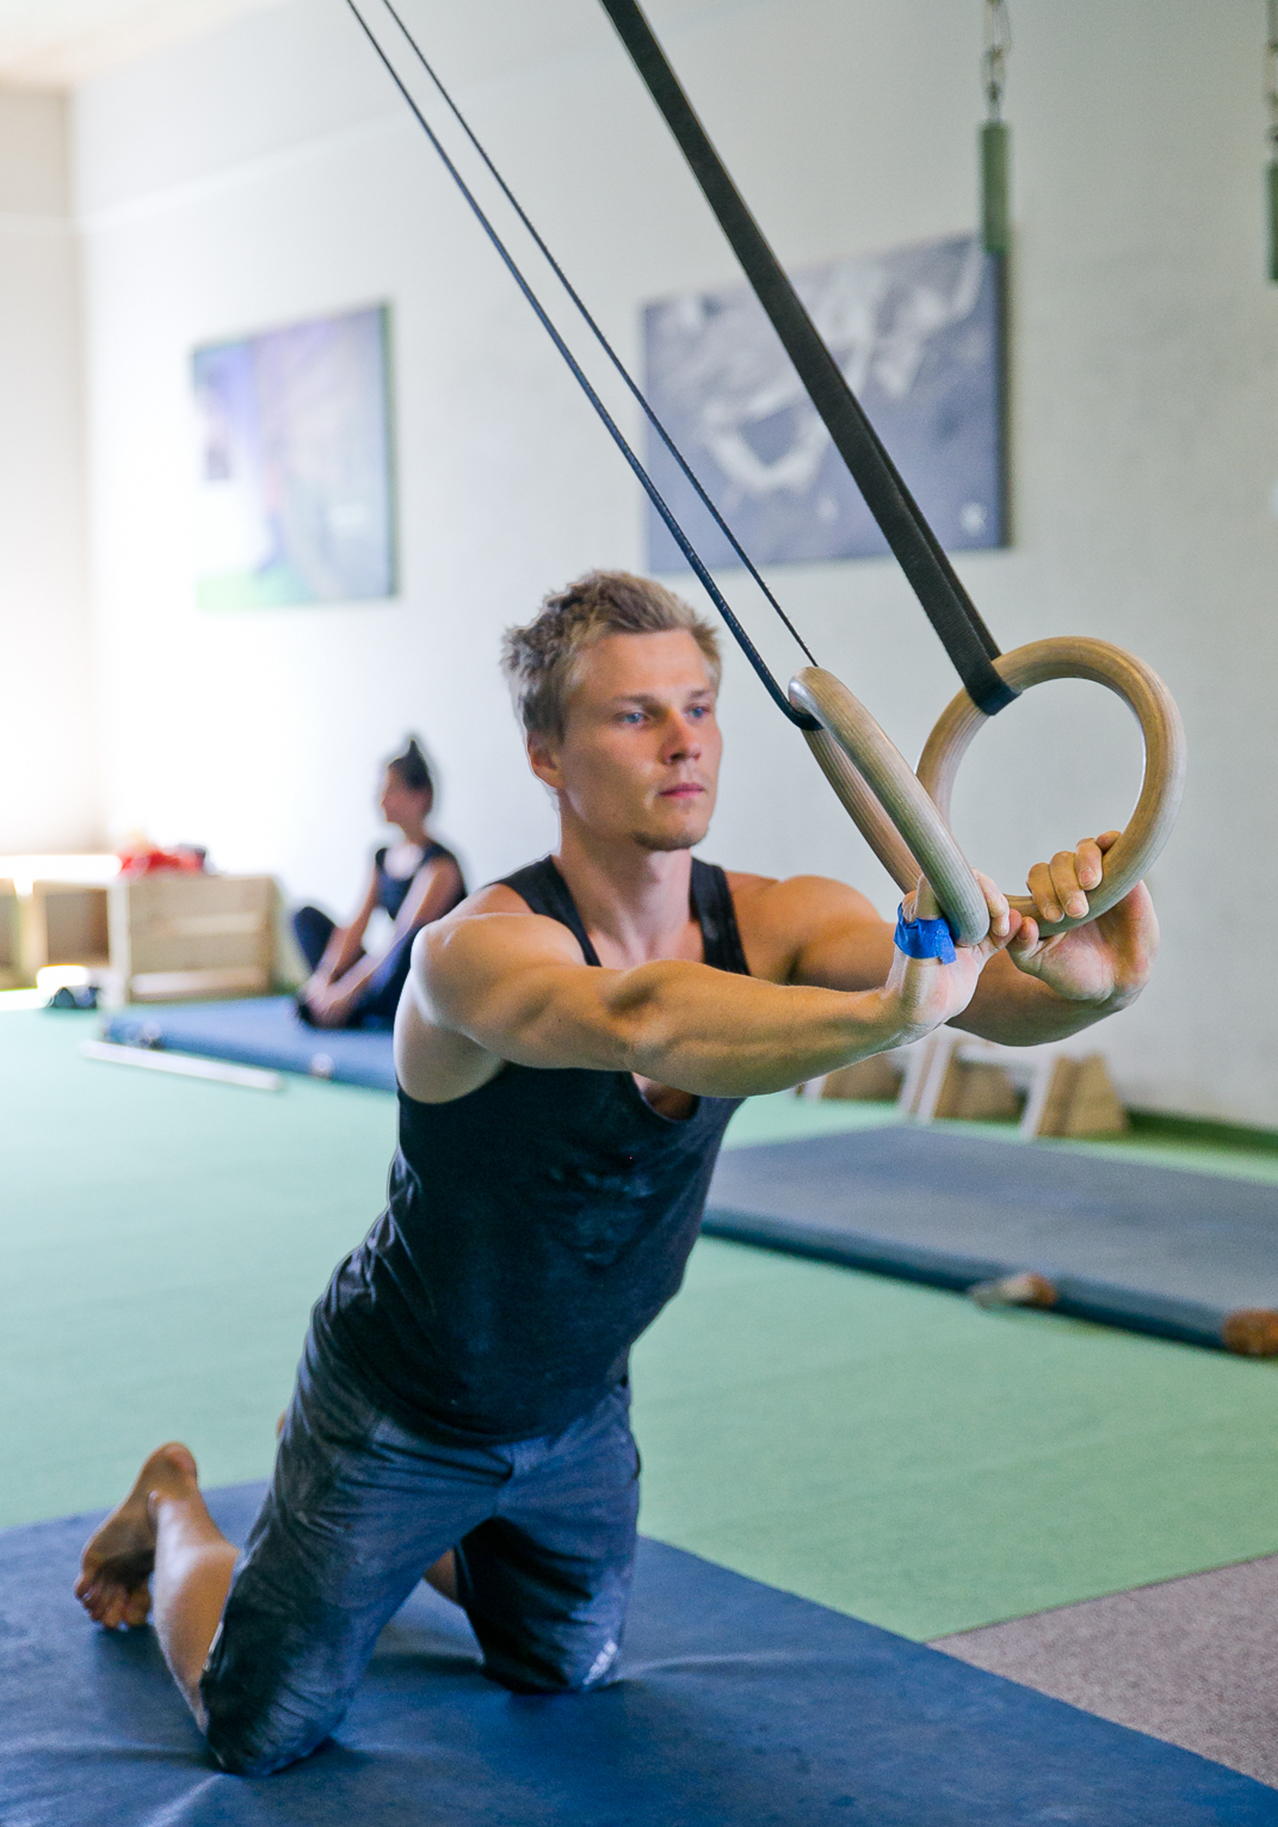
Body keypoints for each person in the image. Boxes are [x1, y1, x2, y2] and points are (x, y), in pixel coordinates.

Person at [75, 571, 1159, 1776]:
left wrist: (1090, 980)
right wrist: (890, 1015)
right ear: (546, 754)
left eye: (698, 706)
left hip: (576, 1403)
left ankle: (397, 1528)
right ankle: (176, 1500)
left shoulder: (785, 918)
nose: (683, 740)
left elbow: (993, 996)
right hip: (403, 1400)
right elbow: (644, 1014)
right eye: (635, 715)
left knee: (563, 1667)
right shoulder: (473, 953)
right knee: (260, 1728)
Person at [293, 739, 465, 1030]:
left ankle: (352, 1005)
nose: (381, 800)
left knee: (412, 943)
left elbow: (400, 938)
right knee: (304, 918)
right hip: (387, 964)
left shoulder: (440, 865)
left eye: (391, 791)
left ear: (420, 797)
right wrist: (324, 977)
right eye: (381, 791)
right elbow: (356, 924)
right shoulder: (382, 857)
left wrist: (348, 988)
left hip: (417, 975)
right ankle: (340, 1004)